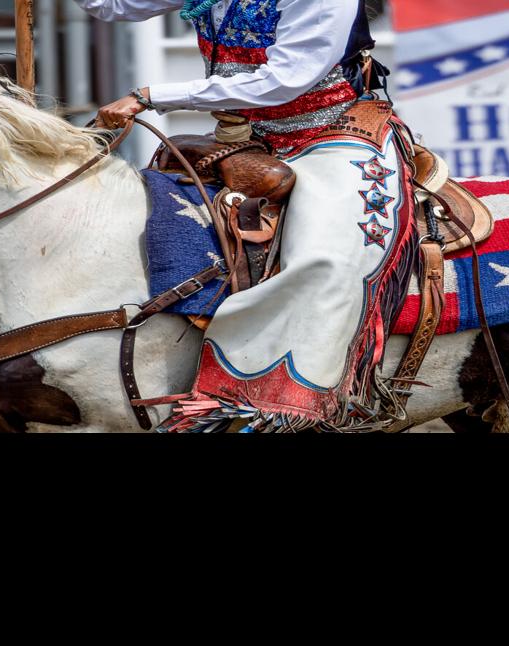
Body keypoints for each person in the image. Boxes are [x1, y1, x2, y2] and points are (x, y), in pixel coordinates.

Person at [77, 0, 413, 431]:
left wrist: (150, 97)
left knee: (325, 256)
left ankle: (292, 404)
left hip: (333, 130)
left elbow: (283, 81)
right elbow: (114, 5)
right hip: (247, 135)